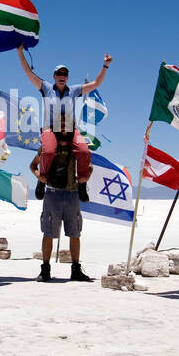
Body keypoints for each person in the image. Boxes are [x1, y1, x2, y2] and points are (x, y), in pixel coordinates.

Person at [16, 48, 112, 282]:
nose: (62, 75)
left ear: (68, 77)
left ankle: (81, 187)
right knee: (49, 149)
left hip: (71, 130)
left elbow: (97, 83)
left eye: (65, 73)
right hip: (50, 130)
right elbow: (27, 71)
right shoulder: (46, 88)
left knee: (84, 150)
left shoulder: (75, 90)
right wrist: (20, 51)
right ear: (54, 75)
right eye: (59, 72)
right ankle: (42, 185)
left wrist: (106, 65)